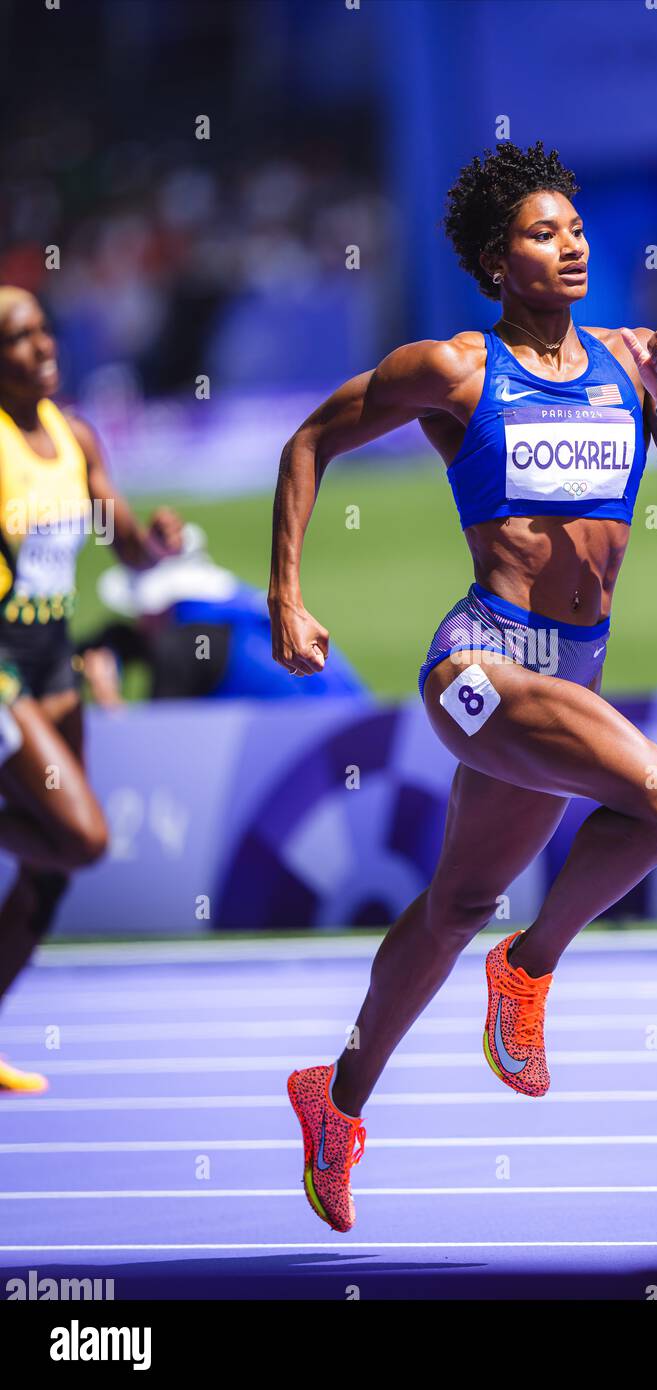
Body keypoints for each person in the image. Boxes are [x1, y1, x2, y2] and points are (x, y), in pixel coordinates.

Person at [269, 142, 657, 1232]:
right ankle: (526, 972)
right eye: (540, 233)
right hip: (480, 661)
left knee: (456, 905)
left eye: (573, 227)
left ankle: (332, 1102)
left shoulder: (631, 360)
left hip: (570, 672)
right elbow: (309, 440)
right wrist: (284, 596)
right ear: (495, 261)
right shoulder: (454, 370)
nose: (568, 245)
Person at [0, 286, 183, 1092]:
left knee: (50, 874)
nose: (43, 344)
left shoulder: (75, 438)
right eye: (18, 336)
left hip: (53, 669)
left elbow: (128, 551)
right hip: (1, 673)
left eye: (44, 327)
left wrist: (157, 541)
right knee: (82, 838)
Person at [78, 523, 368, 703]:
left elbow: (153, 757)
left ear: (160, 606)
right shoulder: (228, 615)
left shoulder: (187, 643)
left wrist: (107, 697)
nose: (137, 621)